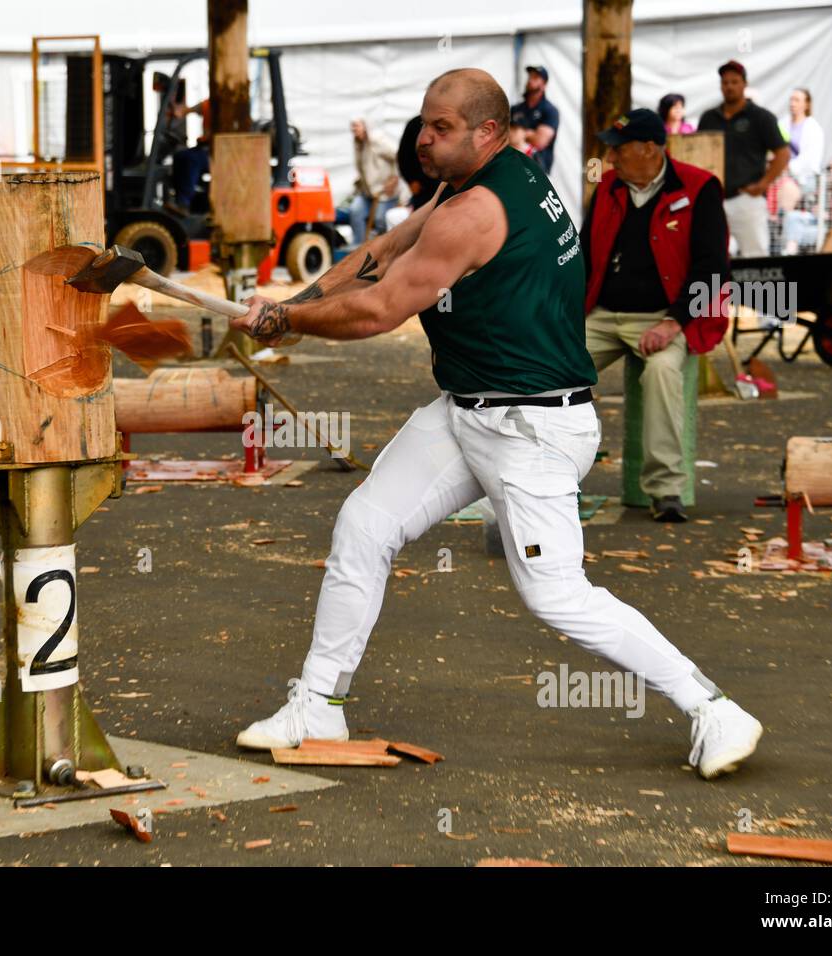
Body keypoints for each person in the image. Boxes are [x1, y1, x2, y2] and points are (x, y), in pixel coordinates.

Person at [228, 68, 763, 780]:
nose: (423, 138)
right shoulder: (476, 180)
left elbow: (379, 308)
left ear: (488, 131)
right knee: (364, 526)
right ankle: (319, 704)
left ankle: (713, 708)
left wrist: (286, 317)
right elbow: (380, 253)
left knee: (557, 595)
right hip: (470, 407)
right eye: (423, 123)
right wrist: (290, 306)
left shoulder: (473, 214)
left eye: (440, 128)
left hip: (531, 429)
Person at [582, 109, 730, 522]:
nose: (610, 158)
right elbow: (580, 256)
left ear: (649, 148)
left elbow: (713, 269)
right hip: (603, 315)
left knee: (663, 372)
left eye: (618, 149)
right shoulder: (608, 187)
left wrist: (674, 322)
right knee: (551, 366)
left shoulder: (699, 188)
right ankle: (550, 478)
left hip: (666, 316)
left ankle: (666, 490)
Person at [697, 60, 789, 257]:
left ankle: (754, 290)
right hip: (714, 200)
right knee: (711, 256)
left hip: (747, 198)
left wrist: (763, 184)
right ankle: (716, 290)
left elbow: (783, 153)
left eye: (734, 81)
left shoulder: (761, 117)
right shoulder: (708, 118)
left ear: (744, 84)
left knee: (755, 255)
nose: (729, 86)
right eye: (725, 82)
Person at [348, 118, 402, 246]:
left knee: (380, 220)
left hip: (384, 192)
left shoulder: (377, 141)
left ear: (365, 126)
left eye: (357, 126)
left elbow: (398, 156)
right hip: (367, 193)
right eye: (352, 127)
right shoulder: (358, 144)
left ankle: (382, 248)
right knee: (355, 211)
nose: (354, 130)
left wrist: (395, 178)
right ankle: (359, 247)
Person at [776, 88, 824, 213]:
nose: (792, 103)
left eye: (797, 100)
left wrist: (788, 167)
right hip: (780, 174)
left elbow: (810, 158)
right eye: (791, 99)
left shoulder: (814, 128)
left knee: (787, 193)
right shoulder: (782, 123)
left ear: (806, 104)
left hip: (803, 179)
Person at [509, 65, 559, 173]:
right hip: (513, 165)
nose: (530, 80)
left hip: (538, 168)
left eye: (536, 77)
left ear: (544, 85)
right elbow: (507, 136)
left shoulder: (550, 110)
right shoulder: (516, 108)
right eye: (530, 77)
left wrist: (521, 133)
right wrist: (531, 134)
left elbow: (540, 141)